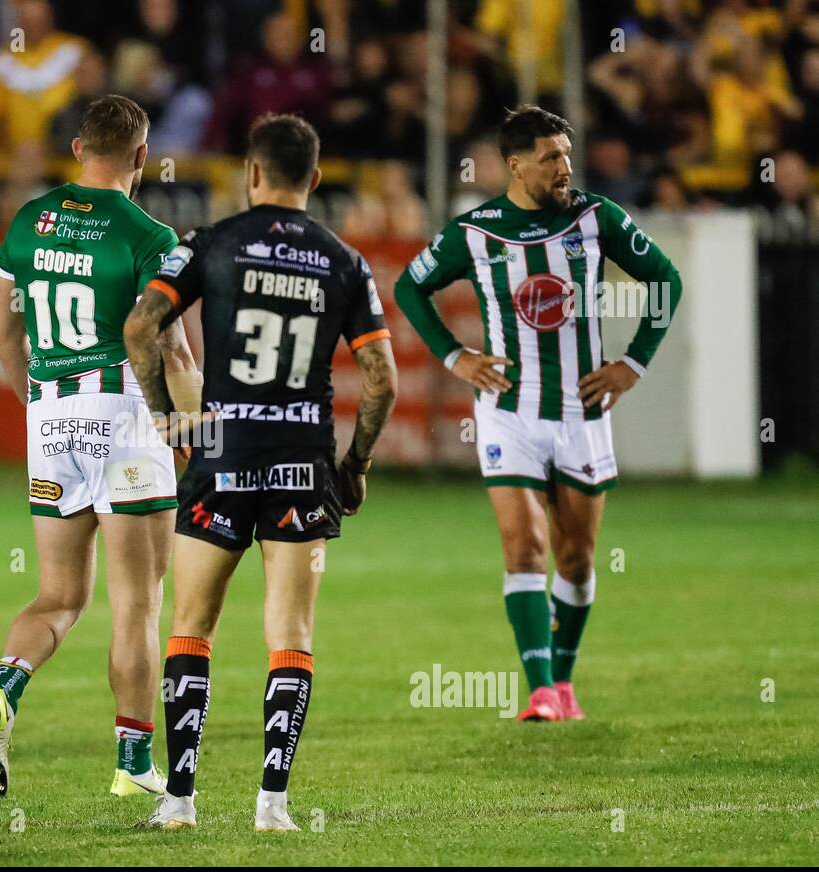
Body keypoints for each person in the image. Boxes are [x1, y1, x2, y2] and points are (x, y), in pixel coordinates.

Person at [123, 113, 398, 831]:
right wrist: (357, 464)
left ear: (250, 173)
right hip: (304, 463)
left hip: (222, 454)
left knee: (191, 624)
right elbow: (382, 378)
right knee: (291, 631)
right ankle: (272, 803)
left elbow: (140, 327)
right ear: (314, 177)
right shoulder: (345, 260)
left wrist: (166, 419)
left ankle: (179, 798)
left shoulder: (210, 244)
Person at [393, 106, 682, 721]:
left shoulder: (596, 217)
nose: (564, 168)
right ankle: (540, 689)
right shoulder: (476, 231)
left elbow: (665, 279)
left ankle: (565, 678)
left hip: (582, 411)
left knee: (575, 556)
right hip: (508, 410)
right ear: (515, 164)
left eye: (567, 156)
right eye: (551, 157)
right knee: (523, 545)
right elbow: (408, 288)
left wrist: (634, 364)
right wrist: (452, 355)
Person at [0, 95, 199, 800]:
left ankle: (3, 691)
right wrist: (196, 438)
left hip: (52, 415)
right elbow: (174, 350)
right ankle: (132, 767)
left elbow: (6, 334)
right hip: (126, 412)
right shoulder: (151, 236)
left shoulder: (26, 223)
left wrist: (40, 411)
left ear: (76, 150)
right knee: (137, 603)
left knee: (58, 595)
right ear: (140, 156)